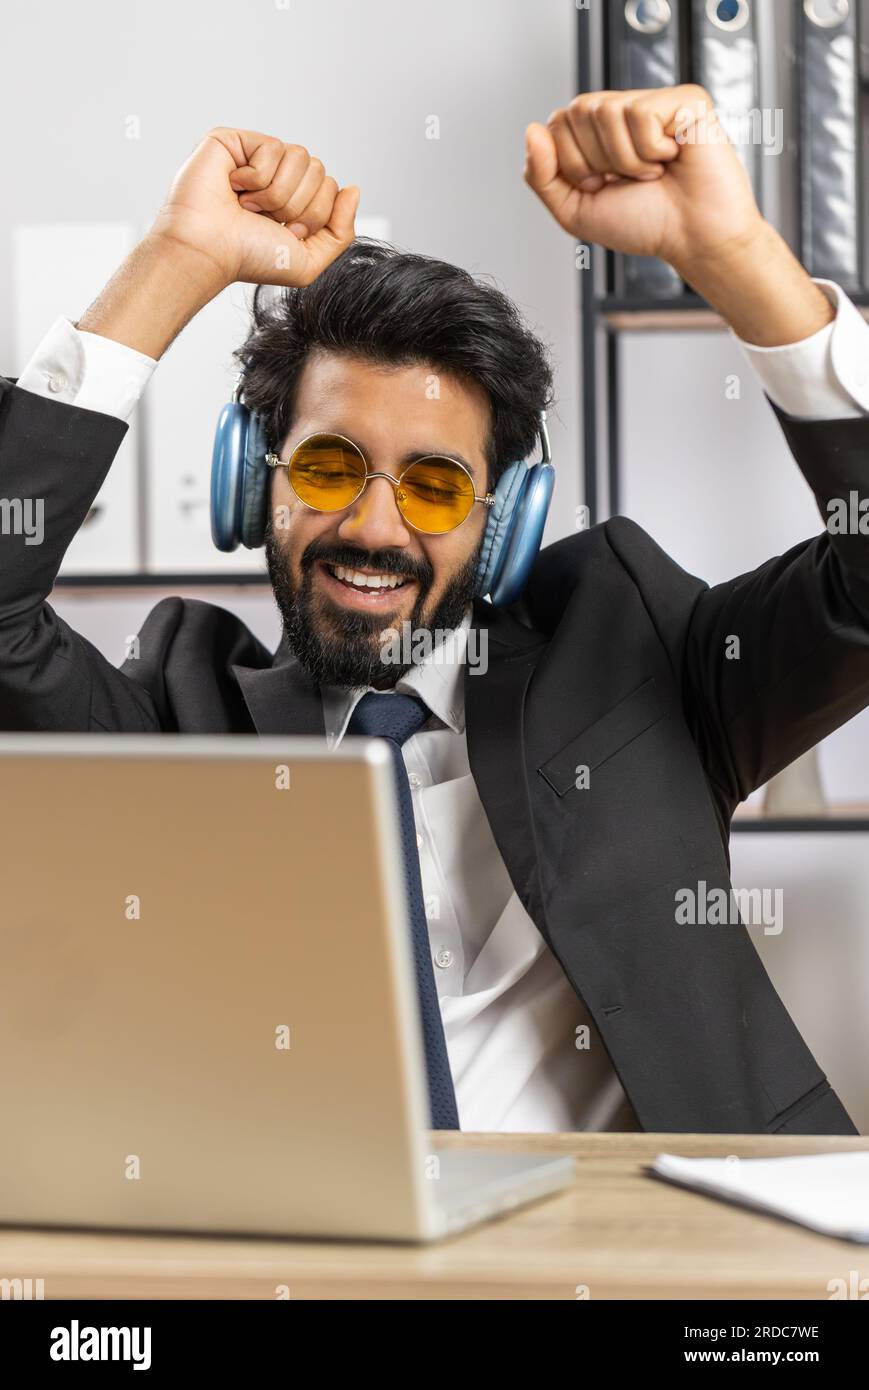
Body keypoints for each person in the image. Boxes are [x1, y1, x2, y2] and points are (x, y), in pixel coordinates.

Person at [2, 86, 868, 1134]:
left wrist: (729, 253)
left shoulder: (634, 647)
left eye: (434, 485)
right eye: (326, 466)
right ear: (252, 485)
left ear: (502, 521)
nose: (374, 528)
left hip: (670, 1250)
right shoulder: (179, 713)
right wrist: (179, 257)